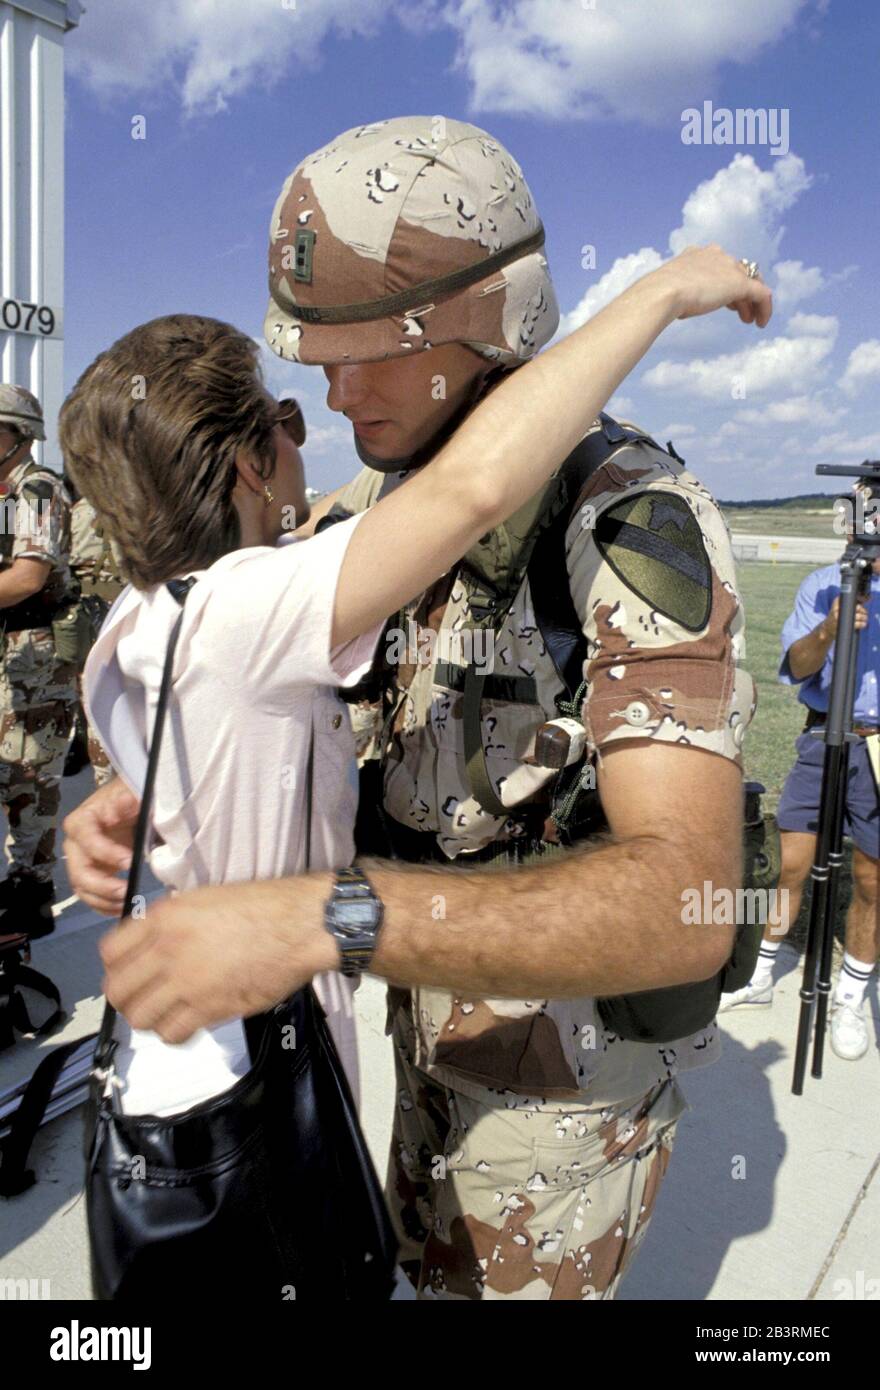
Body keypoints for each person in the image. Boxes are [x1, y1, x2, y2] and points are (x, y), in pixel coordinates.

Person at [65, 116, 772, 1300]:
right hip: (410, 1055)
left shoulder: (624, 516)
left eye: (370, 354)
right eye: (317, 358)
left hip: (551, 1113)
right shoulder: (366, 515)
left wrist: (327, 917)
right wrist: (159, 811)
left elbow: (682, 907)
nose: (333, 391)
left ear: (490, 322)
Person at [721, 546, 879, 1061]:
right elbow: (797, 664)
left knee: (872, 878)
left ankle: (850, 997)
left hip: (878, 746)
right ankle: (760, 973)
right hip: (822, 736)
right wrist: (830, 629)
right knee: (789, 864)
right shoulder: (825, 584)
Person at [0, 385, 77, 939]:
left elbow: (28, 576)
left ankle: (33, 892)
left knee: (31, 776)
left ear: (18, 435)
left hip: (36, 659)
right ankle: (20, 882)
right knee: (13, 774)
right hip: (13, 653)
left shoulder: (39, 489)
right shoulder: (8, 493)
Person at [62, 482, 126, 784]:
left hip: (89, 613)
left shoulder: (77, 510)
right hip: (122, 610)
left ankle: (96, 762)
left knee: (89, 688)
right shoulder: (137, 506)